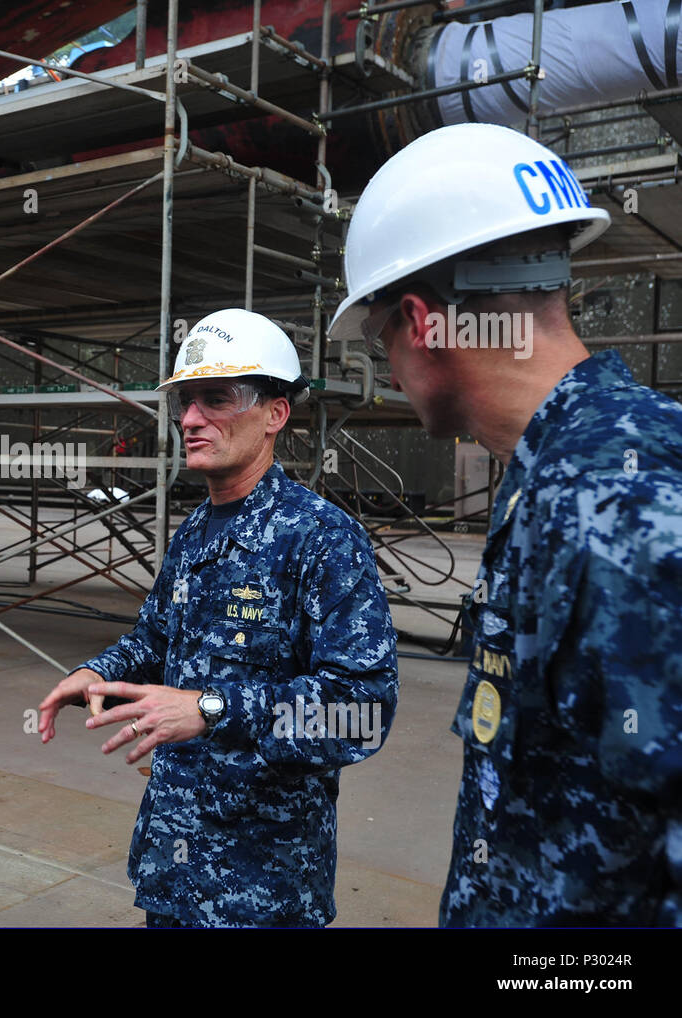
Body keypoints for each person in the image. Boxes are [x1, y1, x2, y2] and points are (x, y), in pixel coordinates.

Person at [329, 122, 682, 926]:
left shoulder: (616, 504)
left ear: (422, 325)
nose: (387, 368)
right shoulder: (559, 476)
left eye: (383, 337)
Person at [38, 309, 398, 928]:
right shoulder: (196, 533)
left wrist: (211, 709)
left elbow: (361, 709)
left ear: (275, 415)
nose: (189, 419)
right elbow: (157, 636)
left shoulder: (320, 539)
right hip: (174, 869)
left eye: (216, 399)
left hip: (261, 887)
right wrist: (95, 672)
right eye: (185, 402)